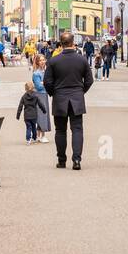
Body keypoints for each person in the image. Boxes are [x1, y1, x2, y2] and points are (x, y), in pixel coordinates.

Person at [43, 30, 93, 169]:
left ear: (61, 44)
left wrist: (53, 92)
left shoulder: (54, 60)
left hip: (60, 97)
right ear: (73, 43)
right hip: (77, 97)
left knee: (60, 130)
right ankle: (76, 160)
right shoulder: (81, 59)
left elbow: (47, 81)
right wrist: (81, 91)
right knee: (77, 129)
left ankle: (61, 159)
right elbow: (89, 80)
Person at [31, 54, 51, 143]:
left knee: (43, 114)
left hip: (44, 94)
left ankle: (39, 135)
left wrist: (44, 83)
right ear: (37, 62)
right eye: (40, 60)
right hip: (39, 95)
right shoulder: (36, 73)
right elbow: (38, 86)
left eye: (44, 60)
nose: (43, 62)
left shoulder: (45, 71)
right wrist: (46, 82)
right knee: (42, 115)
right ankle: (42, 136)